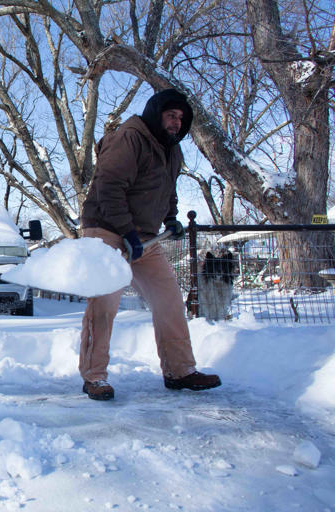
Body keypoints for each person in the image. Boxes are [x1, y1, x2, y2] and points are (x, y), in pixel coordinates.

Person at [79, 88, 221, 401]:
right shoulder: (130, 138)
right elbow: (108, 186)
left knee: (169, 300)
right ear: (156, 114)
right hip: (107, 229)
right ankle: (94, 377)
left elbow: (167, 191)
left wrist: (171, 218)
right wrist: (127, 233)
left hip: (144, 236)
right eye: (171, 115)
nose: (176, 122)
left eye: (181, 118)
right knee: (103, 306)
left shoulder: (171, 150)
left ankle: (180, 371)